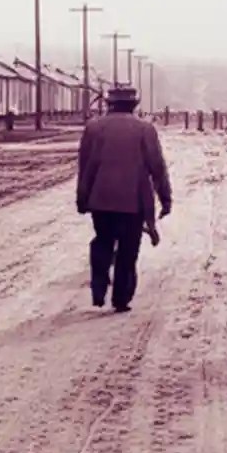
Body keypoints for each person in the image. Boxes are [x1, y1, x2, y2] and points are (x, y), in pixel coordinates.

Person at [76, 87, 172, 313]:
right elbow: (157, 167)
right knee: (128, 250)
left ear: (109, 103)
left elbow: (85, 167)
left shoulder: (93, 128)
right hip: (134, 202)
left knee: (103, 240)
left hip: (101, 199)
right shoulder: (145, 129)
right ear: (134, 105)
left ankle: (99, 286)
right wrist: (165, 198)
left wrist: (82, 197)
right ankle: (121, 298)